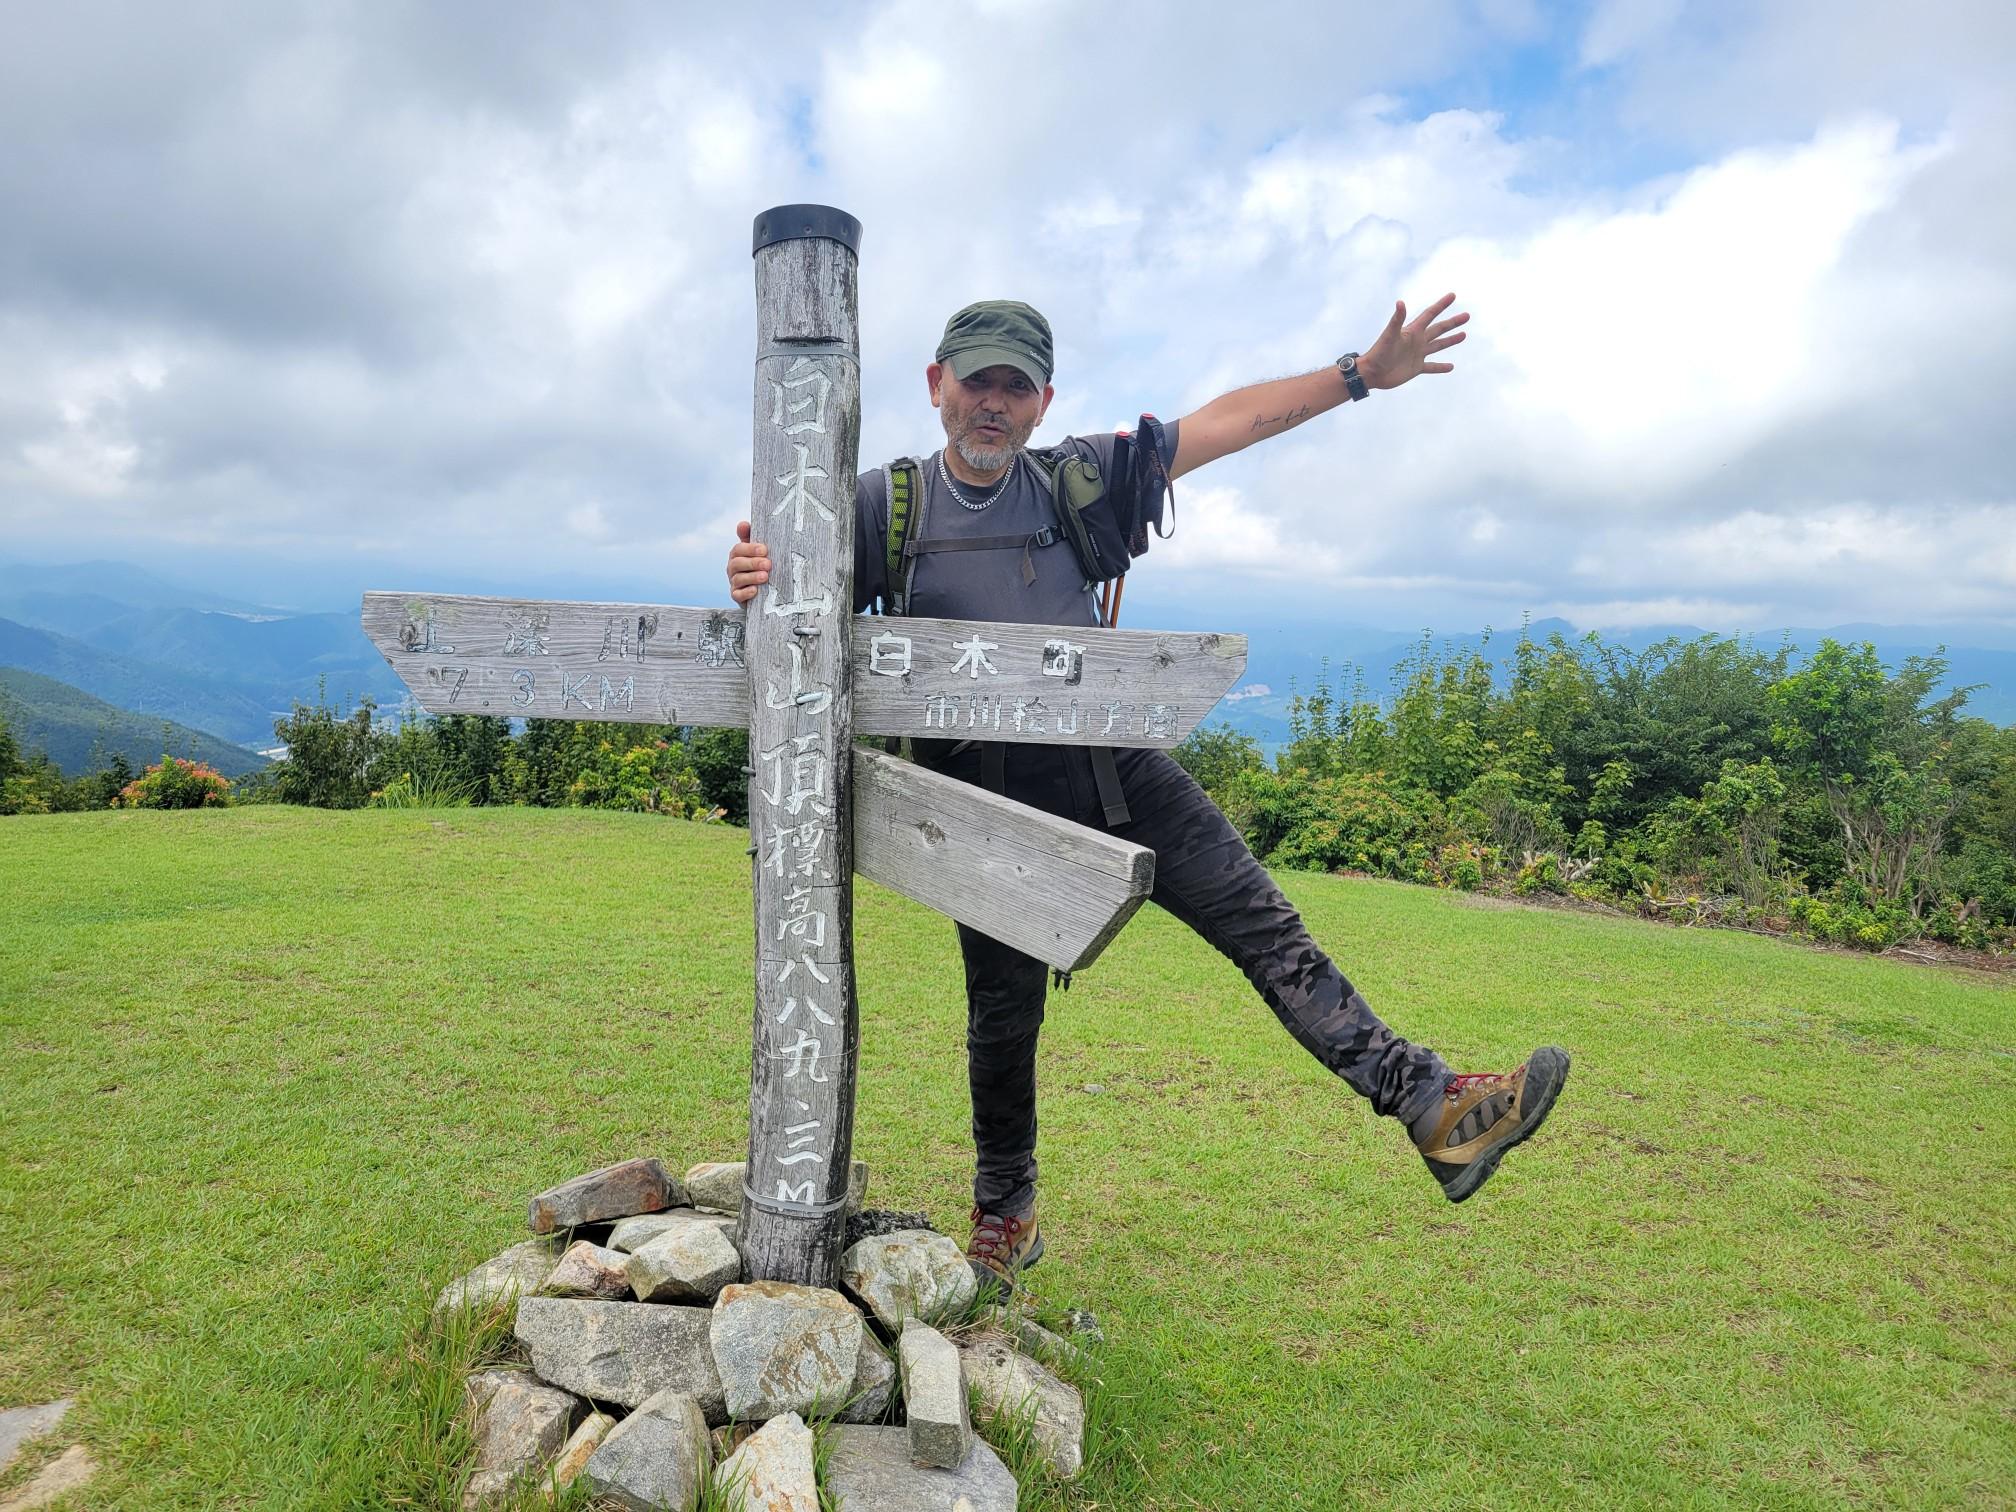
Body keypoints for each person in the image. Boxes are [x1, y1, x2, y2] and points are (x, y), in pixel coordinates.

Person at [727, 297, 1569, 1288]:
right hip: (981, 814)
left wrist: (1356, 376)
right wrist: (756, 578)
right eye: (975, 381)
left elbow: (1223, 424)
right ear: (935, 387)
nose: (991, 403)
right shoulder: (881, 506)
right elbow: (790, 611)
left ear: (1043, 401)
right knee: (1003, 1022)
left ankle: (1435, 1109)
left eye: (1014, 385)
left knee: (1268, 929)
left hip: (1115, 771)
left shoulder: (1078, 482)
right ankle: (1006, 1212)